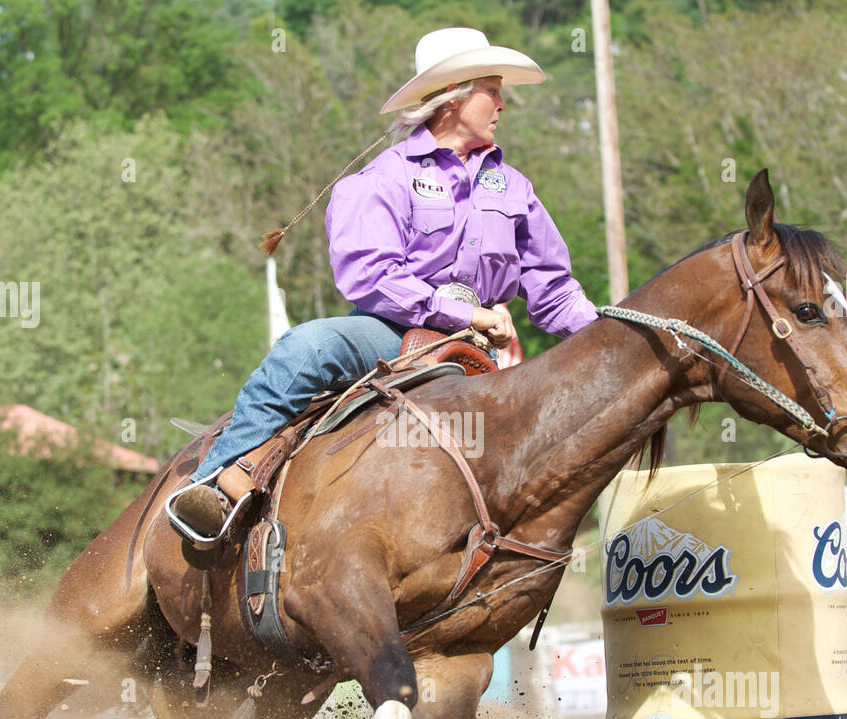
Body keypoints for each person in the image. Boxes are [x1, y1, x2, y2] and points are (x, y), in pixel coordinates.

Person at [167, 27, 601, 547]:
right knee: (312, 345)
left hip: (486, 352)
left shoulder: (514, 187)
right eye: (493, 89)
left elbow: (552, 288)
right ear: (453, 97)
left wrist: (611, 334)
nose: (503, 103)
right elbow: (370, 277)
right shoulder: (381, 180)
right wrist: (464, 314)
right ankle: (215, 483)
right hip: (393, 333)